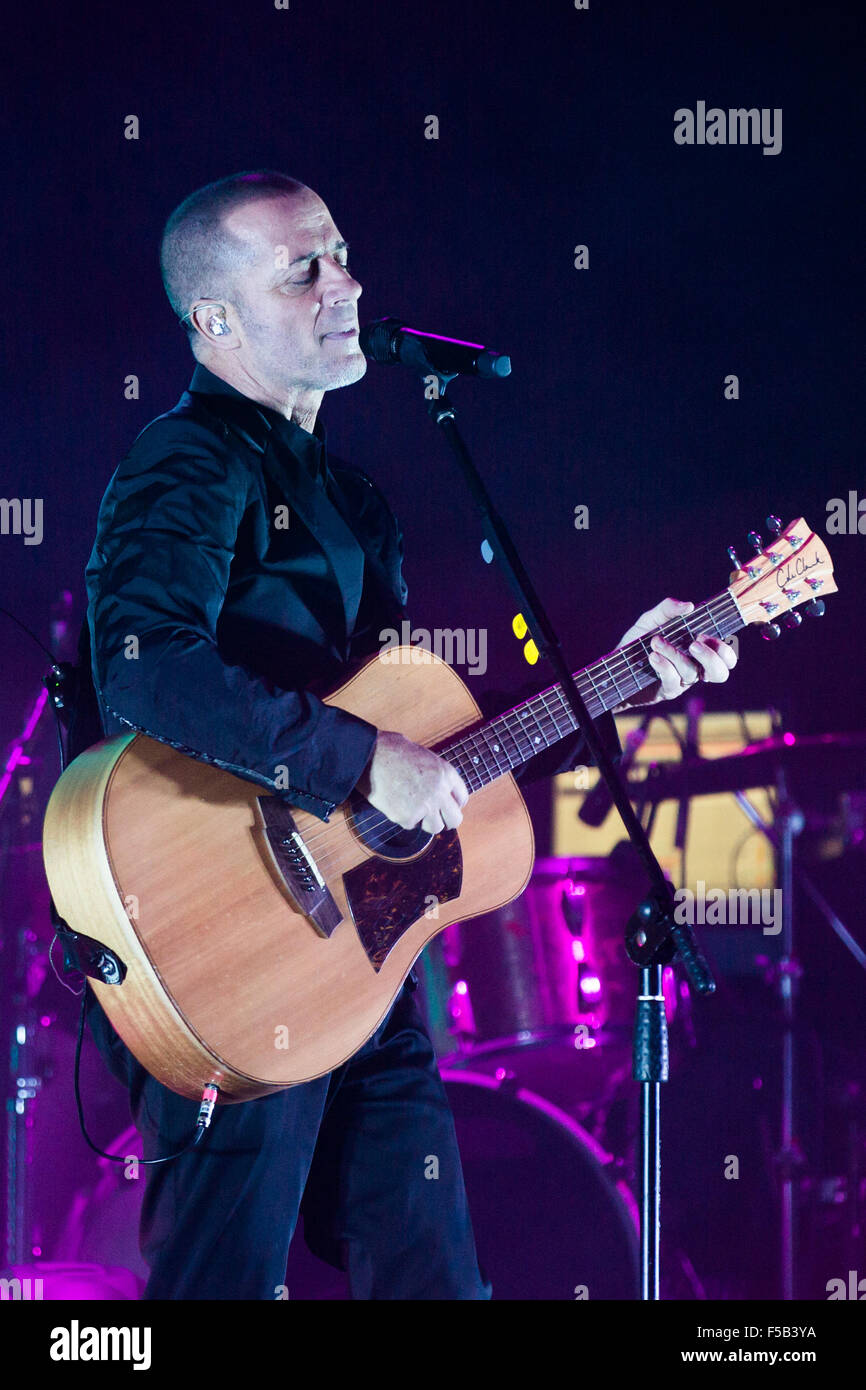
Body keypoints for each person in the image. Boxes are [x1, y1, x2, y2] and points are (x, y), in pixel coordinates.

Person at [67, 170, 737, 1300]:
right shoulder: (188, 460)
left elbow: (434, 754)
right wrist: (352, 759)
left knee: (431, 1279)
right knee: (220, 1281)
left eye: (341, 254)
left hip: (361, 952)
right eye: (304, 269)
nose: (346, 284)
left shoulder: (352, 501)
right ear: (214, 319)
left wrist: (623, 678)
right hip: (222, 936)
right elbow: (142, 664)